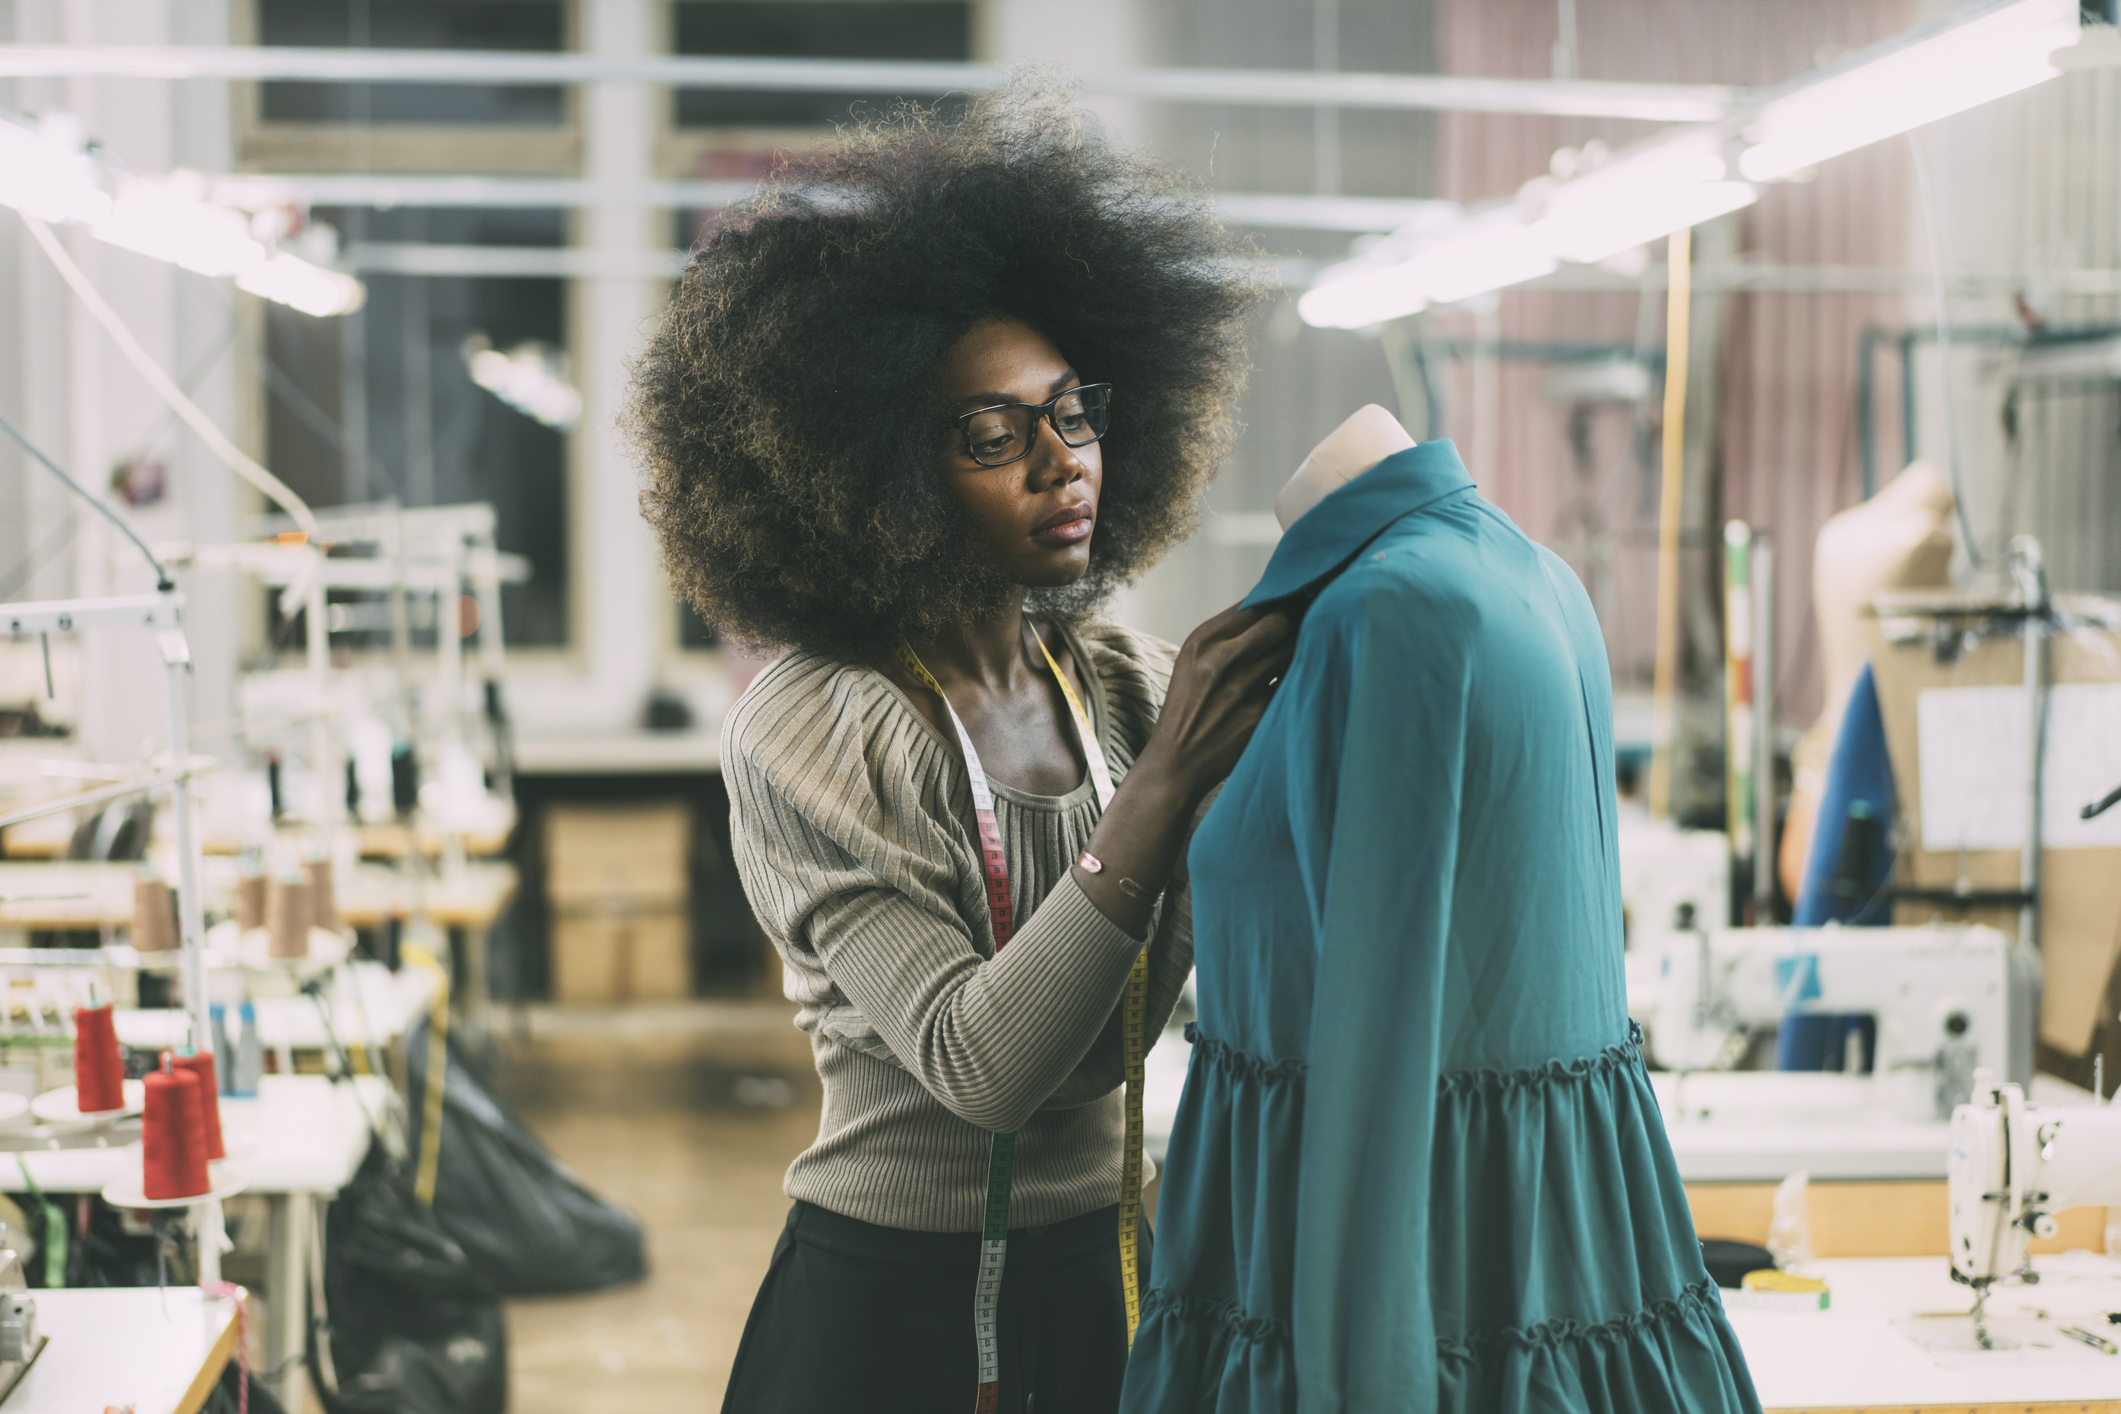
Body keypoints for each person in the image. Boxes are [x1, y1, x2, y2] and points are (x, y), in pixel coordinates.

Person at [626, 88, 1290, 1413]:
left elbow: (1129, 1035)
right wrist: (1168, 787)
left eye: (1074, 412)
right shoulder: (815, 728)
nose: (1061, 462)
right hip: (886, 1307)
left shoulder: (1122, 688)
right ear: (877, 473)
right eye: (994, 435)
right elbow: (982, 1067)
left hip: (1099, 1272)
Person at [1120, 411, 1761, 1412]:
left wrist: (1358, 1379)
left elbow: (1378, 1047)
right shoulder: (1542, 580)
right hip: (1538, 1256)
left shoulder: (1387, 610)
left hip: (1378, 1269)